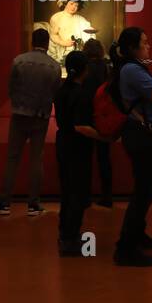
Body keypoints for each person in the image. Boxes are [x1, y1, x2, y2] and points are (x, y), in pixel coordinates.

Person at [110, 27, 152, 267]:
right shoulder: (131, 70)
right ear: (132, 48)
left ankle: (137, 235)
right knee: (143, 192)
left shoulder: (132, 68)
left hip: (142, 135)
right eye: (145, 43)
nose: (149, 47)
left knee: (145, 189)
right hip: (142, 136)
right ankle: (125, 248)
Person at [0, 28, 61, 216]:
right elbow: (55, 92)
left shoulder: (19, 60)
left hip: (19, 113)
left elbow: (11, 88)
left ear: (32, 41)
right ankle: (33, 203)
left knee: (12, 158)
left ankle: (4, 202)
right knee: (36, 159)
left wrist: (19, 104)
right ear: (48, 43)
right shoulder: (54, 66)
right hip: (40, 115)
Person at [53, 50, 100, 255]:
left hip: (63, 142)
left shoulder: (62, 90)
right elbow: (81, 126)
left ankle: (65, 234)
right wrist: (103, 136)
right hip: (78, 146)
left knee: (67, 190)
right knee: (77, 192)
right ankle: (70, 239)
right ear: (84, 70)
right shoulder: (81, 94)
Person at [82, 39, 113, 207]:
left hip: (87, 116)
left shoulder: (84, 68)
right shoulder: (106, 68)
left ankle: (85, 197)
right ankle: (107, 196)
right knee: (104, 157)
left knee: (85, 158)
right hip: (103, 116)